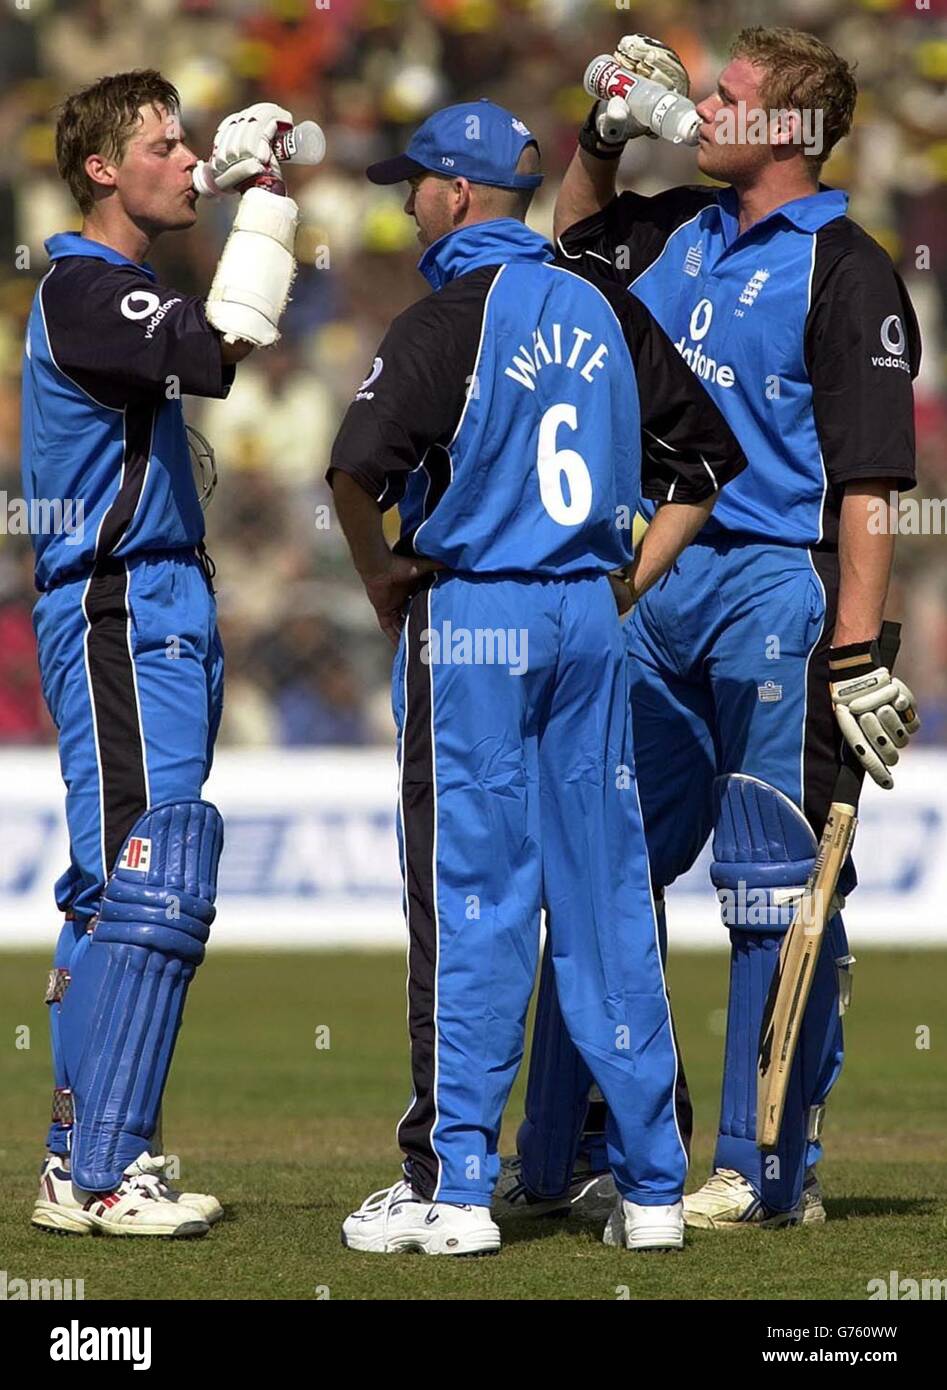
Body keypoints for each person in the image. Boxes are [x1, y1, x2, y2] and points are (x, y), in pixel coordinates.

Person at [498, 28, 922, 1230]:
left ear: (786, 131)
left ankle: (761, 1163)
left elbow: (866, 487)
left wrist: (853, 649)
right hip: (648, 577)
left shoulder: (843, 268)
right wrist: (603, 133)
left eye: (727, 98)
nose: (703, 109)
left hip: (768, 588)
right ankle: (582, 1146)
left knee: (769, 875)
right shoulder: (674, 224)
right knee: (595, 858)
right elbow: (568, 244)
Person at [328, 99, 745, 1256]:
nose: (408, 201)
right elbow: (707, 463)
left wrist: (379, 577)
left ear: (457, 195)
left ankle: (457, 1184)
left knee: (478, 891)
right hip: (586, 615)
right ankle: (653, 1187)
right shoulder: (607, 306)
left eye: (414, 184)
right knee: (609, 893)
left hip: (475, 615)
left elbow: (355, 471)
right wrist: (624, 583)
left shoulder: (444, 317)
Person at [24, 70, 301, 1237]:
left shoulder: (113, 287)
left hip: (150, 603)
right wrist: (268, 199)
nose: (187, 160)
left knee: (122, 884)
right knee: (145, 876)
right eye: (163, 144)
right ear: (101, 168)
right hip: (118, 604)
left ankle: (82, 1155)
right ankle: (99, 1170)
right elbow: (222, 346)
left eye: (190, 143)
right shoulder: (85, 286)